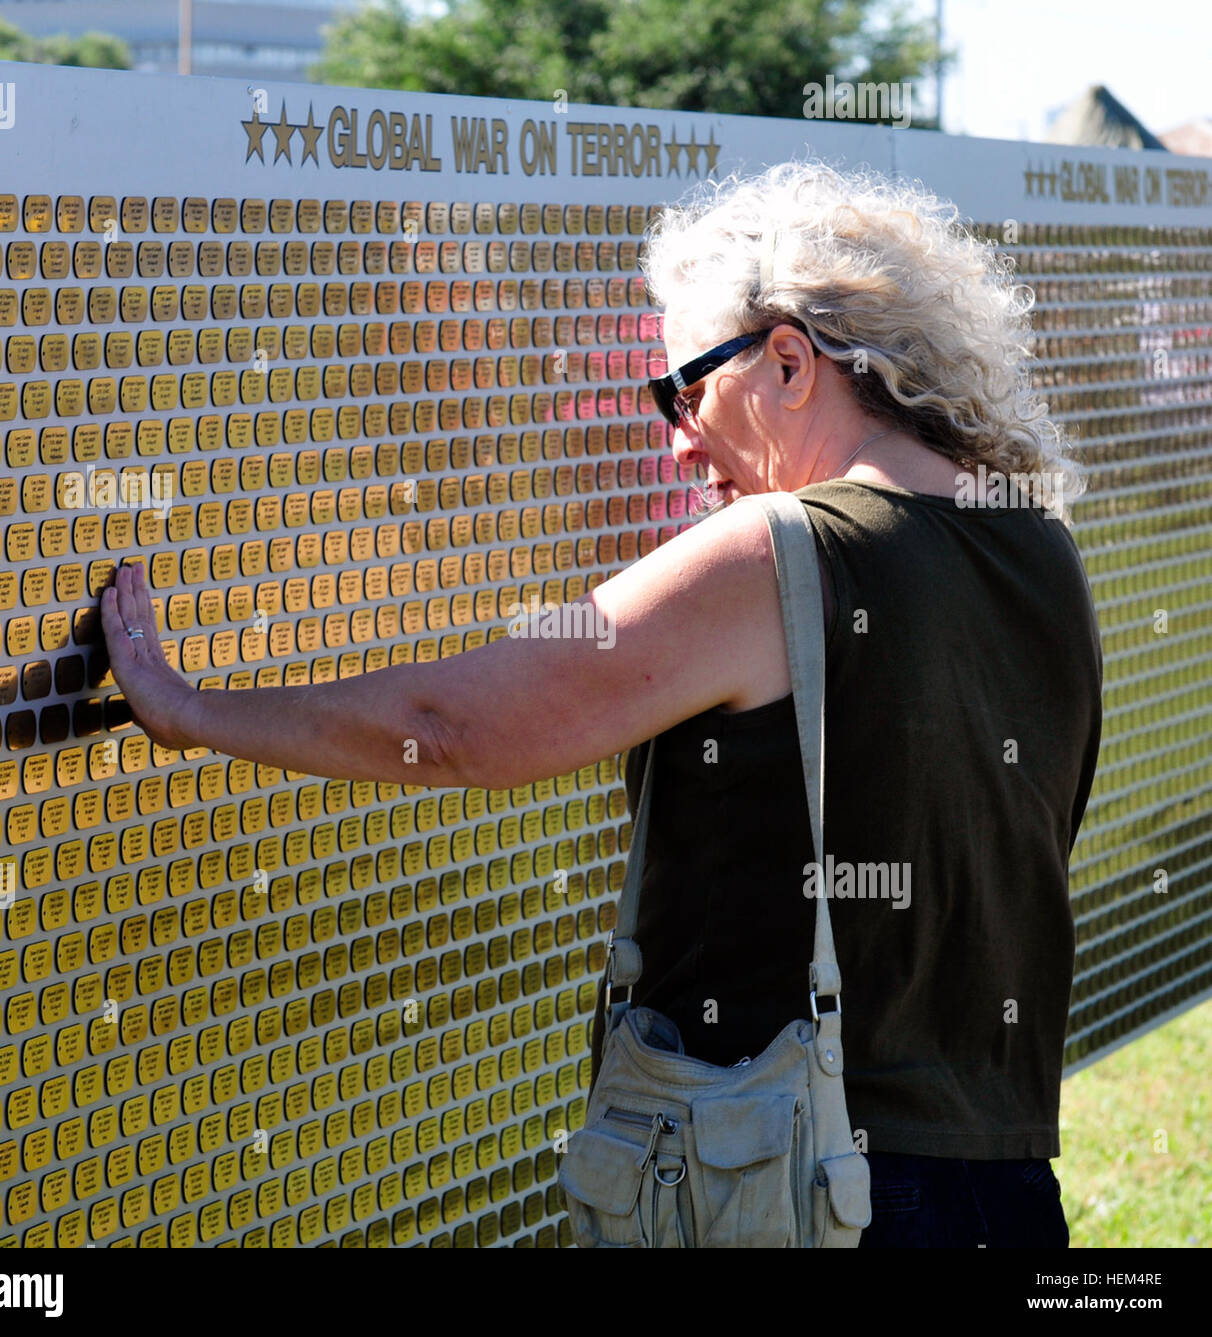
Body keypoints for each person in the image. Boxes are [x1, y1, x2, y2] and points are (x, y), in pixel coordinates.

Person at [101, 157, 1103, 1249]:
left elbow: (453, 729)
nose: (675, 437)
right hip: (1007, 1190)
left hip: (800, 1189)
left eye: (684, 390)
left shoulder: (776, 551)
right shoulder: (1041, 548)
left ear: (785, 362)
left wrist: (184, 708)